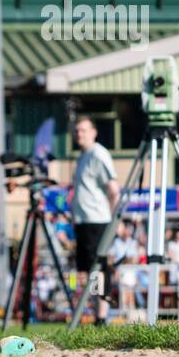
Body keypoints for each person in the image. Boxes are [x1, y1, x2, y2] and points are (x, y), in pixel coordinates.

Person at [70, 116, 120, 323]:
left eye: (83, 130)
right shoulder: (83, 156)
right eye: (77, 131)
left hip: (97, 221)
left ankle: (101, 316)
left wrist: (112, 222)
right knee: (87, 271)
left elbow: (113, 190)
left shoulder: (98, 154)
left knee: (99, 269)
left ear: (93, 132)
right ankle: (95, 313)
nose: (79, 134)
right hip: (84, 221)